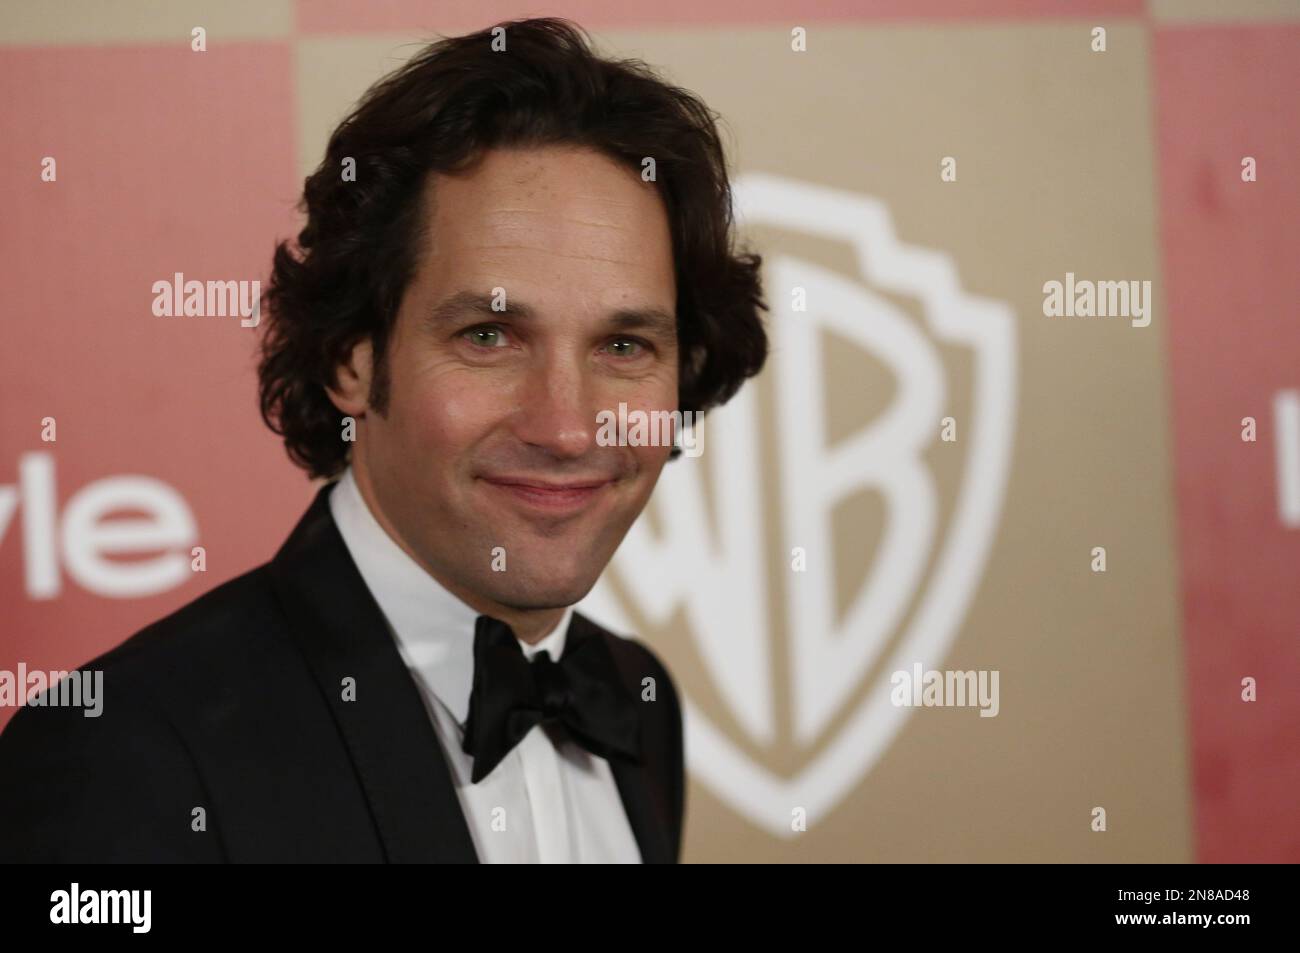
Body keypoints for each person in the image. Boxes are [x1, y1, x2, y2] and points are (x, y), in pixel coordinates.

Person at [0, 16, 767, 863]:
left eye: (625, 347)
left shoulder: (634, 696)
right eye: (488, 336)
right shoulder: (127, 757)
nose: (567, 426)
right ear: (350, 358)